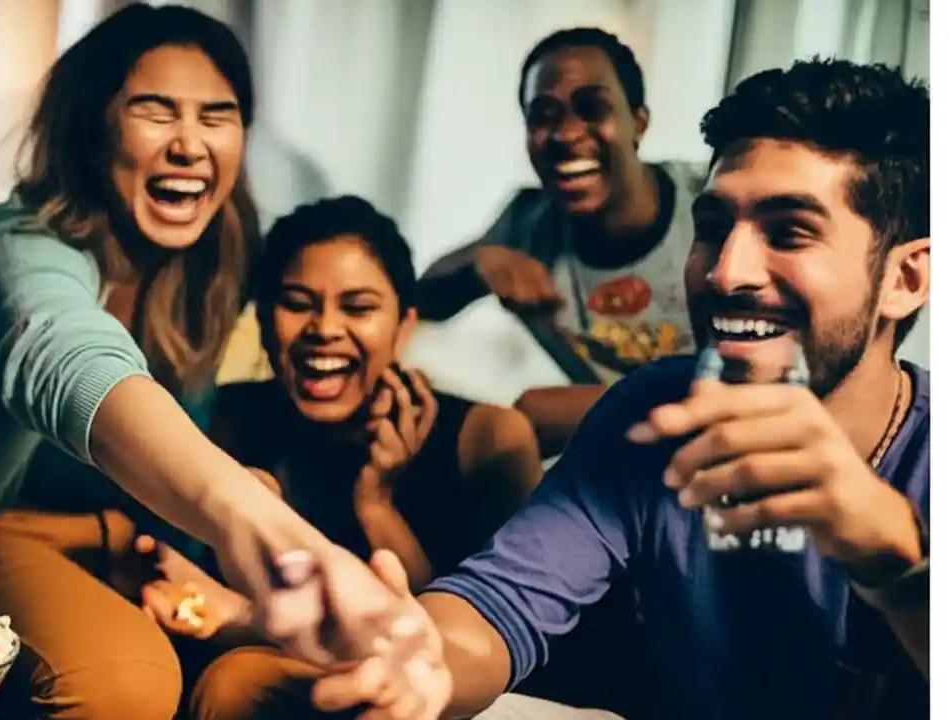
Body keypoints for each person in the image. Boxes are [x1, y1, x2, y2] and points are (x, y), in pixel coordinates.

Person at [315, 58, 931, 720]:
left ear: (905, 279)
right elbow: (501, 601)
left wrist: (897, 571)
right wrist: (417, 662)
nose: (726, 272)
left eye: (789, 232)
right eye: (715, 227)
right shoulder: (649, 412)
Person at [0, 6, 432, 718]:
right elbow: (72, 359)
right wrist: (245, 517)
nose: (190, 145)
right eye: (155, 111)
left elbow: (345, 283)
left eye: (218, 116)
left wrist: (489, 260)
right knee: (128, 684)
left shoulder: (224, 253)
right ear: (92, 125)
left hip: (139, 541)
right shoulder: (8, 248)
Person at [130, 196, 544, 718]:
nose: (324, 328)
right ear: (262, 323)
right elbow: (178, 590)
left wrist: (377, 505)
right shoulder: (222, 420)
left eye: (358, 307)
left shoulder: (488, 438)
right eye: (298, 303)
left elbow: (491, 634)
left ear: (404, 325)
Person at [417, 28, 706, 458]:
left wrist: (605, 409)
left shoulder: (714, 206)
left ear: (639, 123)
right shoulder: (529, 224)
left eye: (592, 108)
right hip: (622, 477)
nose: (566, 134)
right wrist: (477, 260)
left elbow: (789, 375)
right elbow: (421, 303)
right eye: (544, 115)